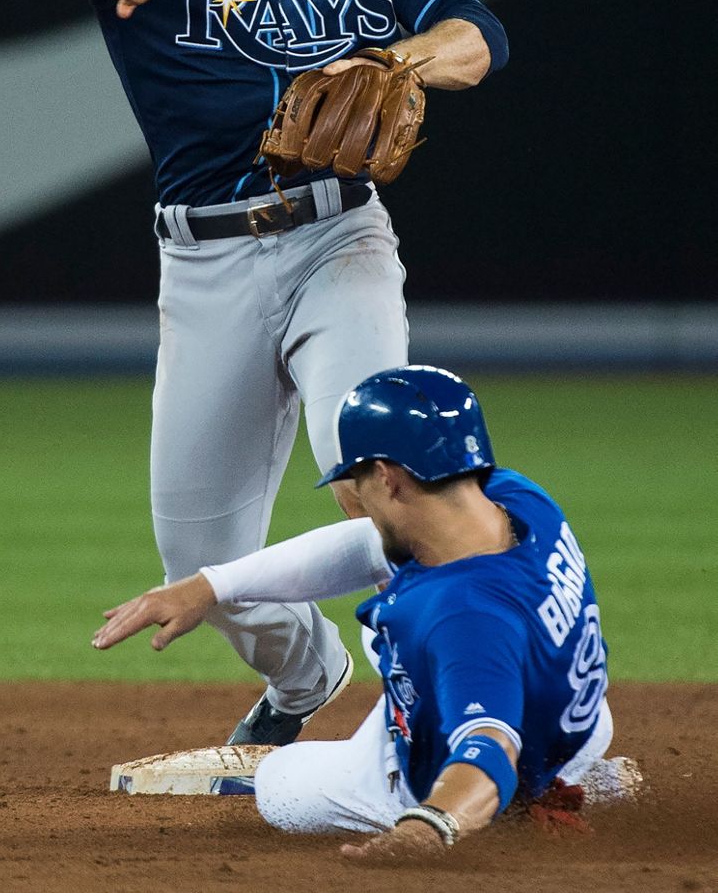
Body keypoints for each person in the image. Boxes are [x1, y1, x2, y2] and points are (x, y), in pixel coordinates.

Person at [27, 0, 509, 745]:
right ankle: (306, 681)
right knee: (200, 564)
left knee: (380, 476)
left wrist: (392, 62)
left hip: (340, 239)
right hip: (203, 264)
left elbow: (478, 35)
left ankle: (459, 714)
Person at [93, 365, 629, 860]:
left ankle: (517, 804)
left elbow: (488, 747)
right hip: (576, 721)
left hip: (469, 762)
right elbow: (365, 546)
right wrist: (213, 586)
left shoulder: (457, 617)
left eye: (360, 480)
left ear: (389, 476)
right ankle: (580, 772)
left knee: (280, 783)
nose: (358, 496)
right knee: (402, 601)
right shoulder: (516, 499)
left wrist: (428, 828)